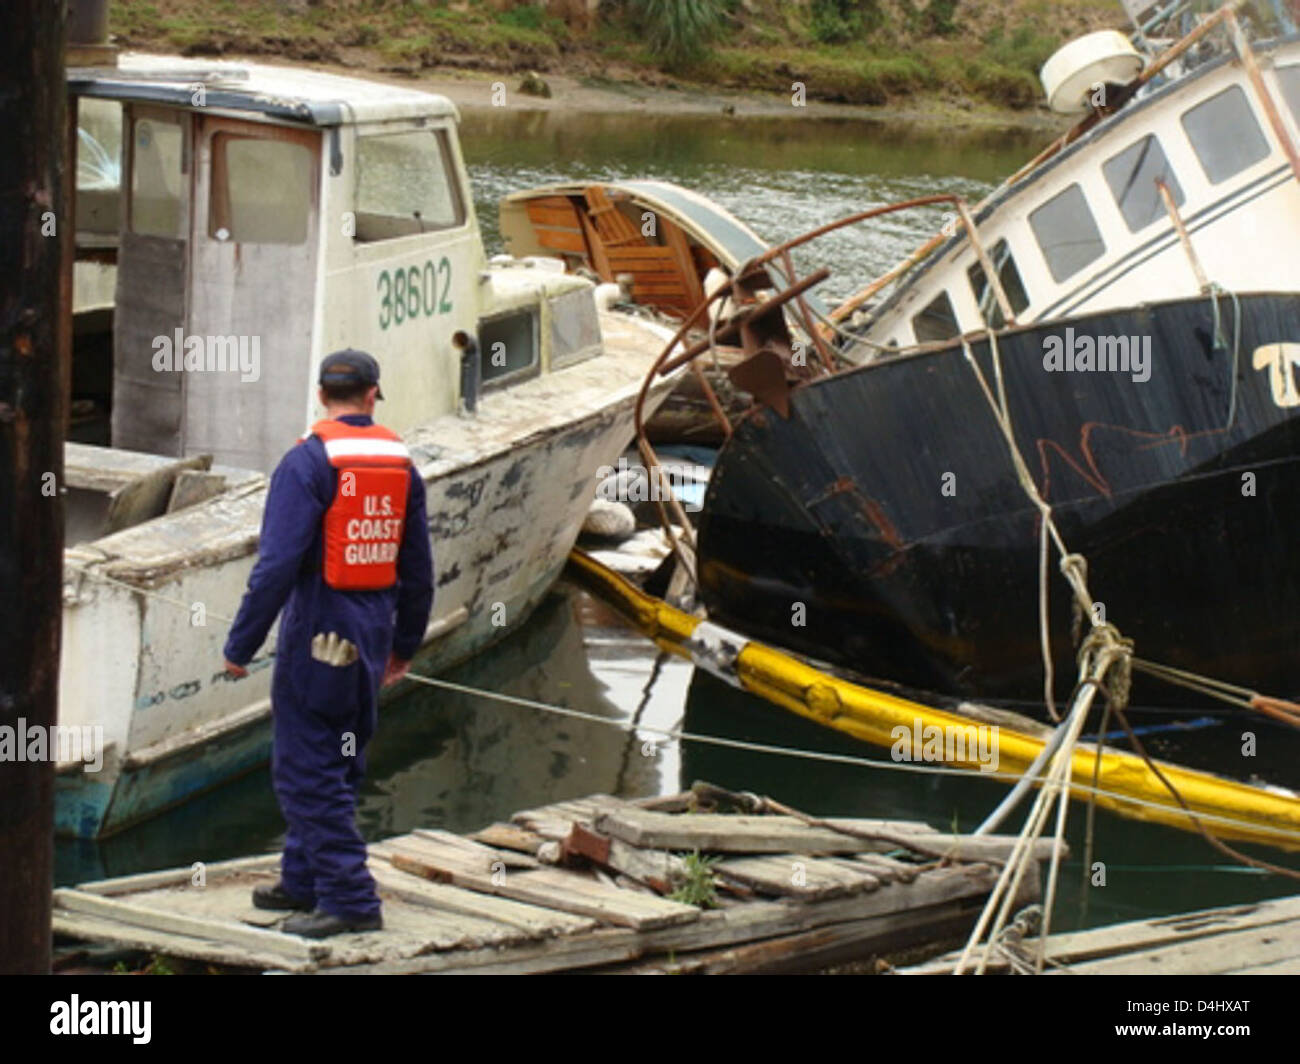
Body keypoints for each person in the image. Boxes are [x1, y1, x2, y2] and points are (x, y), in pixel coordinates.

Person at [223, 349, 433, 939]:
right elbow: (418, 568)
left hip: (316, 632)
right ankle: (304, 879)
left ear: (321, 397)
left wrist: (240, 645)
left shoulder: (307, 462)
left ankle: (350, 897)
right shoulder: (399, 466)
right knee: (338, 757)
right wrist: (406, 644)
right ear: (372, 397)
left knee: (304, 771)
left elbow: (277, 567)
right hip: (368, 636)